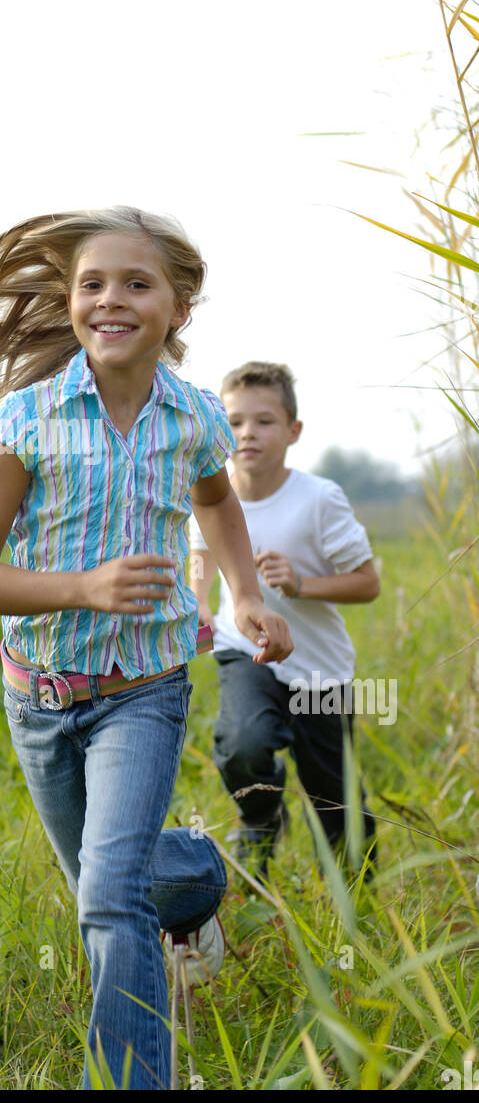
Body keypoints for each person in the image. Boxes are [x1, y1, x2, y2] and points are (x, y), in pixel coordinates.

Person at [0, 208, 292, 1090]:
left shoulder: (192, 417)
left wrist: (245, 594)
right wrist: (81, 586)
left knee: (109, 900)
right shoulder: (27, 420)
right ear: (71, 302)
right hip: (38, 696)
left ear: (178, 308)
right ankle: (197, 884)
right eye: (91, 284)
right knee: (111, 884)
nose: (110, 299)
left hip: (144, 687)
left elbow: (216, 502)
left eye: (135, 283)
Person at [188, 361, 380, 878]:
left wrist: (302, 585)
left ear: (293, 431)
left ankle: (356, 896)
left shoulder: (319, 499)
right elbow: (202, 550)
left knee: (335, 798)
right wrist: (201, 600)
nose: (247, 433)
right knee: (242, 743)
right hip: (245, 649)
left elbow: (368, 582)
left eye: (264, 421)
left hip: (320, 669)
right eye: (234, 422)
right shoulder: (208, 491)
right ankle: (261, 816)